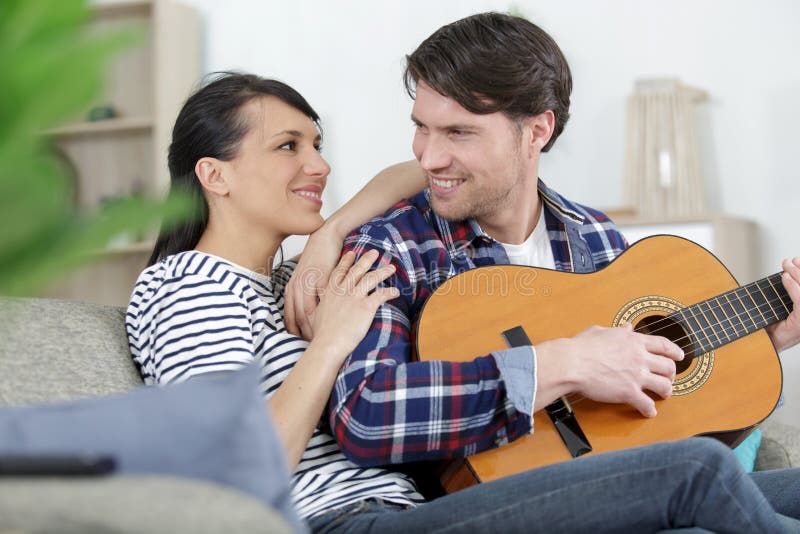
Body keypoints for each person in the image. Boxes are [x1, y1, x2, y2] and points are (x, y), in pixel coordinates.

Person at [284, 12, 800, 533]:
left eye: (459, 132)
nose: (429, 156)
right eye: (421, 127)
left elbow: (654, 426)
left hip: (615, 487)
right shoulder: (392, 244)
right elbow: (367, 415)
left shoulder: (596, 235)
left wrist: (760, 344)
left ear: (537, 130)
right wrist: (564, 362)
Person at [126, 72, 431, 522]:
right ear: (215, 175)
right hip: (331, 519)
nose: (320, 166)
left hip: (399, 507)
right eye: (288, 146)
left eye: (317, 145)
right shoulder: (189, 283)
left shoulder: (293, 280)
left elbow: (430, 170)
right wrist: (331, 342)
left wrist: (332, 231)